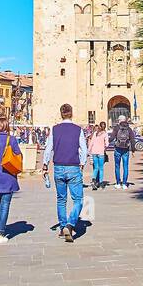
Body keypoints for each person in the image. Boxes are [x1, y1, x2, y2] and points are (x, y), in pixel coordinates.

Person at [42, 103, 87, 242]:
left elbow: (48, 148)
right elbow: (84, 149)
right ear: (71, 113)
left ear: (61, 114)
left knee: (61, 199)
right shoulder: (78, 129)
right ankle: (70, 224)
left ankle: (62, 227)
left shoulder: (54, 129)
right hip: (73, 167)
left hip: (58, 168)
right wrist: (82, 163)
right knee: (78, 200)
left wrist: (45, 164)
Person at [110, 116, 135, 189]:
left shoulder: (116, 128)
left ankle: (118, 183)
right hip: (126, 149)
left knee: (117, 166)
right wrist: (133, 150)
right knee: (125, 167)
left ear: (119, 120)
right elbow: (132, 139)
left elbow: (112, 137)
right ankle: (124, 184)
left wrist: (106, 142)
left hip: (117, 149)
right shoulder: (129, 129)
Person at [87, 121, 108, 190]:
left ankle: (93, 180)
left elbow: (91, 143)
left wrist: (88, 151)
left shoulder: (95, 133)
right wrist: (104, 146)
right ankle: (101, 182)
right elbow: (107, 144)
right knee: (101, 168)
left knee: (96, 168)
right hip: (101, 153)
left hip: (94, 152)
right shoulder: (105, 134)